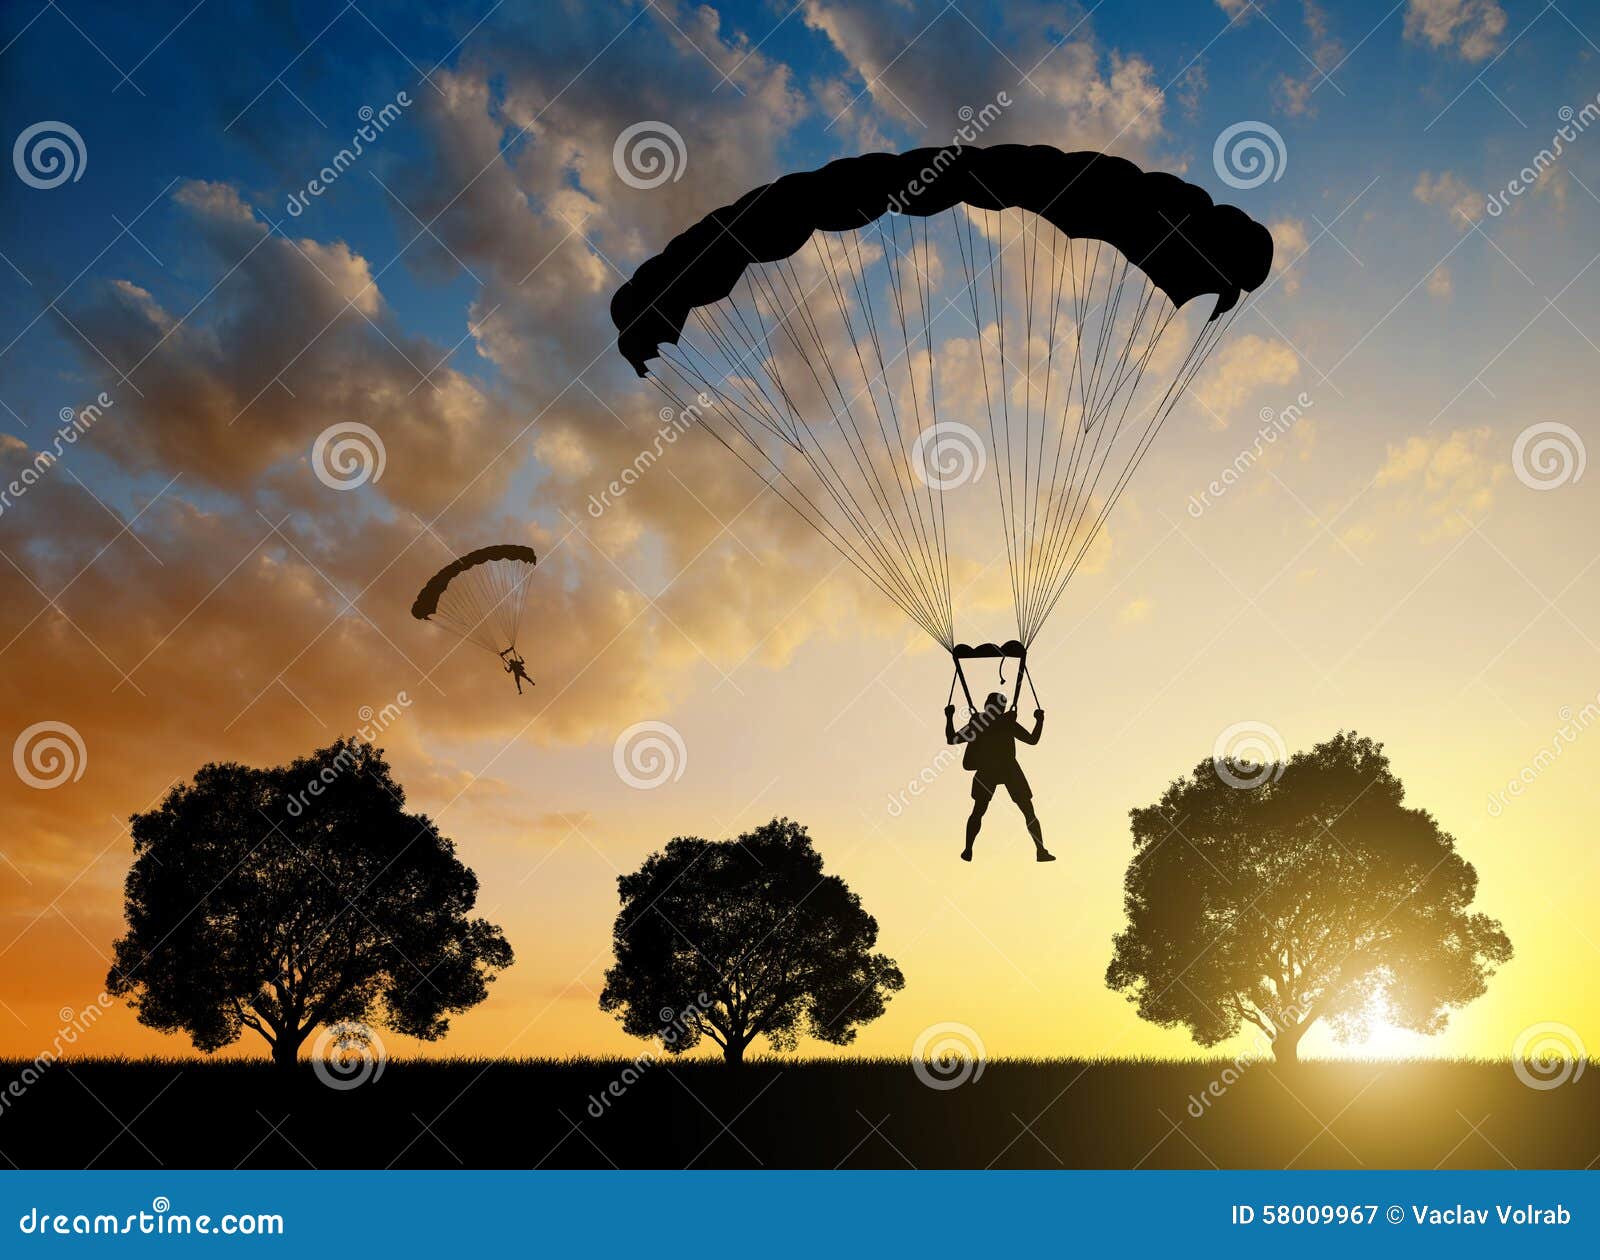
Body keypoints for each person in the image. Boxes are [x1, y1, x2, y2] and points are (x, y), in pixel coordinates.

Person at [945, 692, 1053, 863]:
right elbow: (1032, 740)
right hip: (1007, 768)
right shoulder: (1005, 723)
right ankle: (1040, 850)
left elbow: (952, 739)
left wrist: (949, 717)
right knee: (1027, 811)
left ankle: (968, 849)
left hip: (992, 769)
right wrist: (1039, 721)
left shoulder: (981, 723)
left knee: (979, 811)